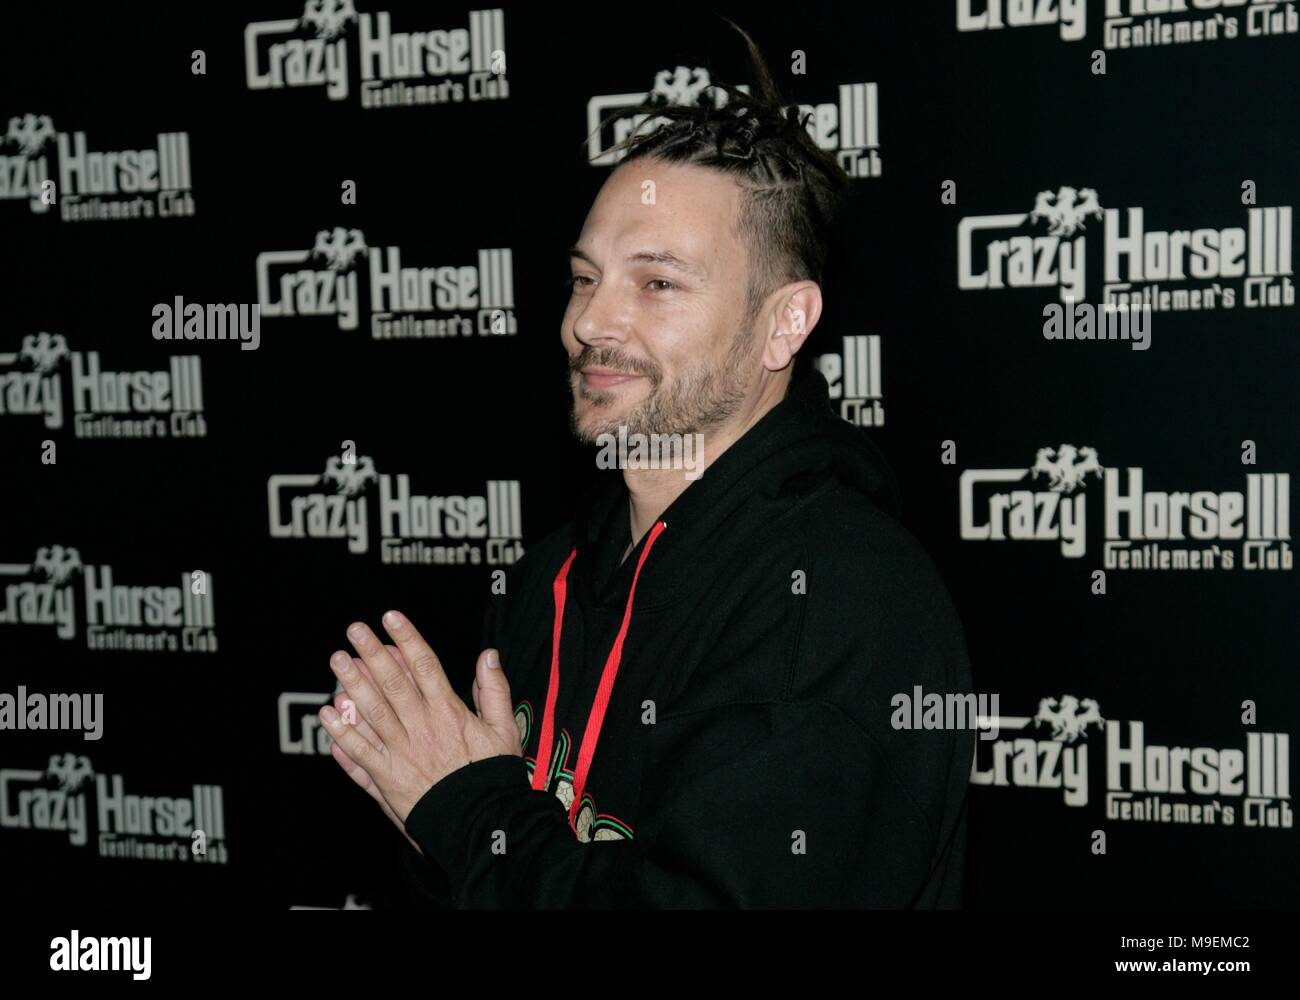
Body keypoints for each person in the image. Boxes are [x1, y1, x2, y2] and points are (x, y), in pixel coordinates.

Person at [320, 20, 975, 908]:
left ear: (785, 322)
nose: (591, 322)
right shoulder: (548, 578)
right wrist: (432, 819)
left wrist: (467, 811)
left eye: (656, 283)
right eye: (586, 278)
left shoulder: (841, 604)